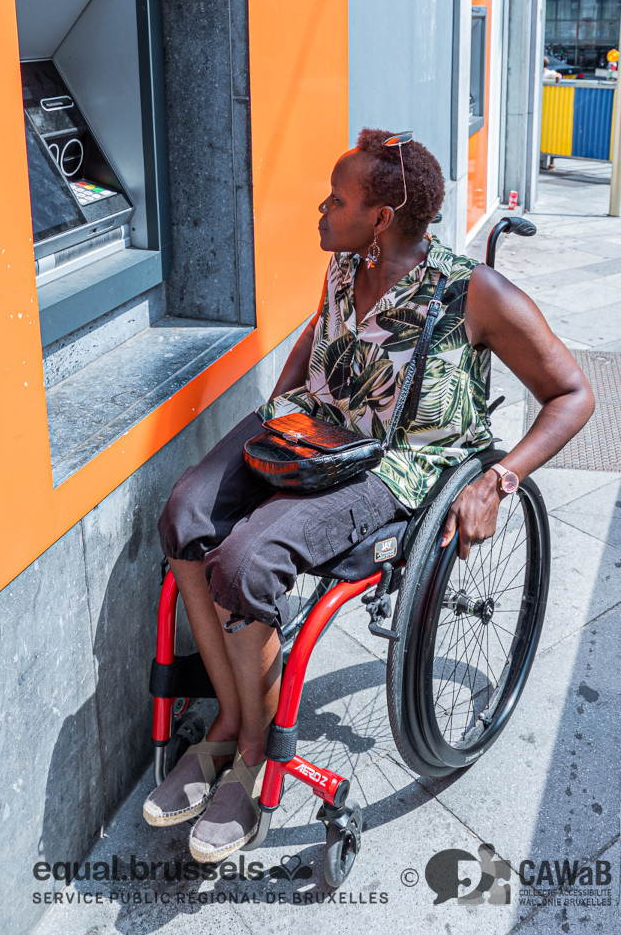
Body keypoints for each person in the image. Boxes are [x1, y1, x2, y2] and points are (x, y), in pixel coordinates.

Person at [142, 128, 594, 864]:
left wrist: (497, 478)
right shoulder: (345, 263)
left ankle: (252, 753)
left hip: (398, 464)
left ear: (382, 218)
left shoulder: (472, 292)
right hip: (310, 432)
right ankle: (230, 718)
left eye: (337, 198)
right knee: (184, 514)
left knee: (247, 563)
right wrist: (283, 398)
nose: (322, 208)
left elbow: (574, 394)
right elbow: (320, 334)